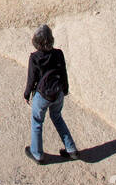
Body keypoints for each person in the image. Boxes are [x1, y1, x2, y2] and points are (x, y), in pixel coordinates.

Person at [23, 24, 80, 164]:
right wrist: (65, 89)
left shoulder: (35, 57)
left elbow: (31, 79)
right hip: (58, 92)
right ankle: (71, 149)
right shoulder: (58, 53)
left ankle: (37, 154)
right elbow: (63, 72)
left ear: (35, 41)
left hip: (43, 95)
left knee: (37, 122)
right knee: (57, 117)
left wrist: (26, 94)